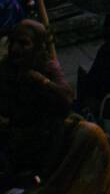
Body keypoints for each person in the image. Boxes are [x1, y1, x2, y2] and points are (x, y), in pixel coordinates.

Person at [0, 19, 73, 184]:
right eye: (12, 43)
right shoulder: (6, 70)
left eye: (23, 43)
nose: (15, 49)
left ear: (38, 47)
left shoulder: (48, 68)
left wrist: (40, 81)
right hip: (17, 137)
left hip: (48, 137)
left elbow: (67, 100)